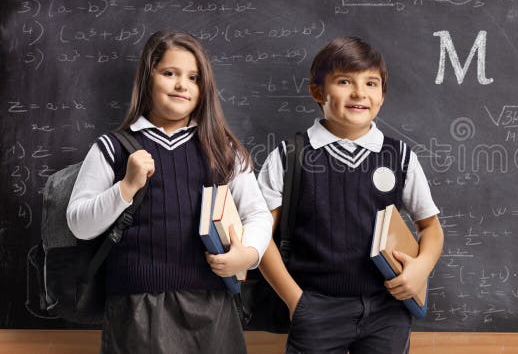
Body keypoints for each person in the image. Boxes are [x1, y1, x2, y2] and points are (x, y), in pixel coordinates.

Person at [66, 30, 271, 353]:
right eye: (170, 73)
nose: (182, 85)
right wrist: (126, 187)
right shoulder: (113, 148)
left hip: (213, 304)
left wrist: (247, 255)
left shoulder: (222, 148)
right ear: (148, 78)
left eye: (193, 77)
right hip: (137, 307)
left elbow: (256, 213)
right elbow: (78, 222)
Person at [257, 36, 444, 353]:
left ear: (382, 95)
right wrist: (295, 301)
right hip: (315, 307)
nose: (359, 93)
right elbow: (259, 235)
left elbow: (430, 227)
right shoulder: (289, 156)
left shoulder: (399, 156)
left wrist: (421, 267)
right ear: (318, 91)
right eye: (344, 81)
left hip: (388, 309)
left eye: (371, 83)